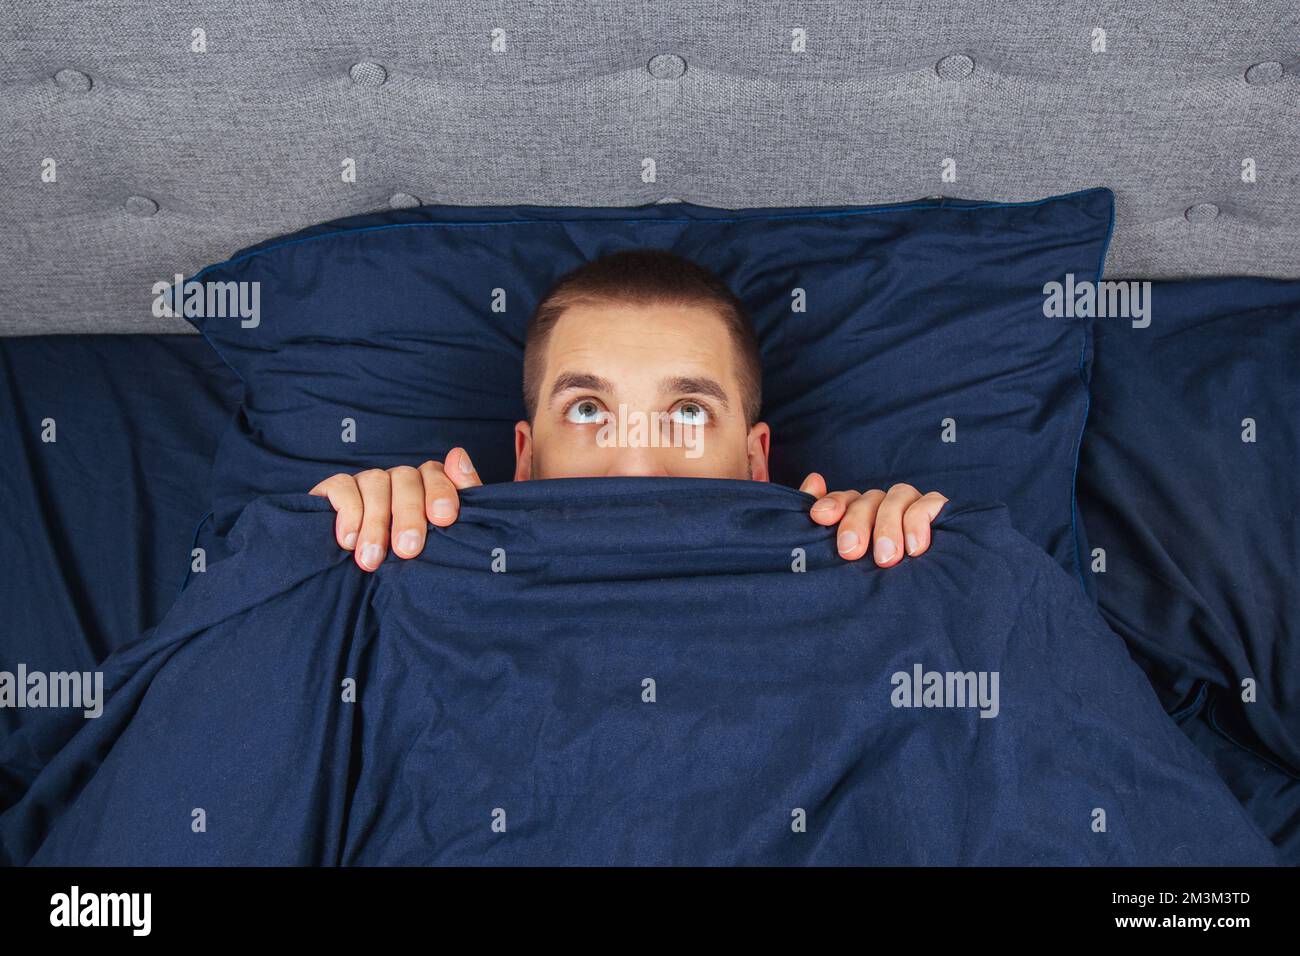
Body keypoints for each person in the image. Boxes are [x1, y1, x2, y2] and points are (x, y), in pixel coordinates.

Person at [310, 249, 948, 571]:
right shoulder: (405, 568)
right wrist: (331, 542)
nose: (637, 466)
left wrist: (920, 557)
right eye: (588, 409)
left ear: (756, 459)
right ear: (525, 458)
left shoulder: (856, 580)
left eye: (689, 413)